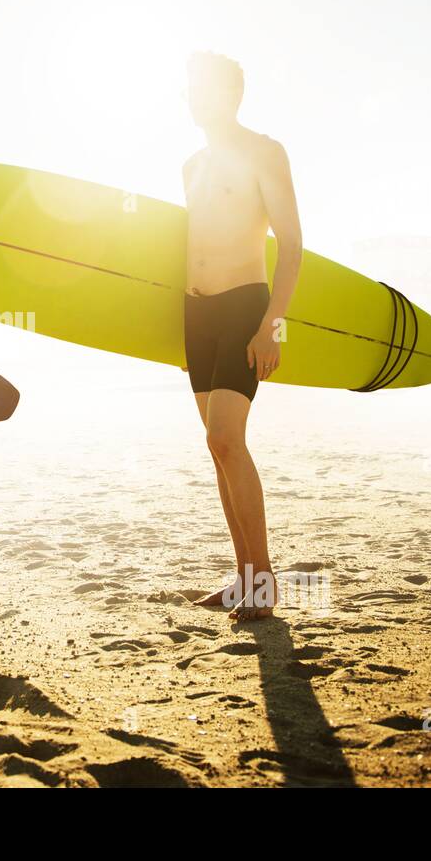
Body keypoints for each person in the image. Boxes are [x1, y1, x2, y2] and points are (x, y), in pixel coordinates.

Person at [182, 52, 302, 621]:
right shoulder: (191, 166)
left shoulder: (264, 152)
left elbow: (292, 244)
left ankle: (265, 581)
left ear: (230, 94)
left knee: (228, 440)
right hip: (196, 313)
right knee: (216, 447)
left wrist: (270, 326)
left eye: (200, 87)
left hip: (243, 308)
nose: (191, 96)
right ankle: (244, 577)